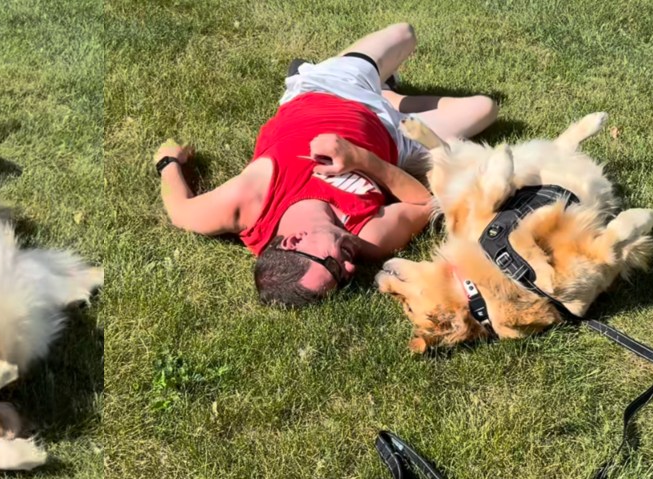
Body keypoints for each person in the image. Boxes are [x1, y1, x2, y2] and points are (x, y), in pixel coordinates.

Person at [153, 23, 498, 306]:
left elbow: (181, 211)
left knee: (405, 33)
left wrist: (168, 161)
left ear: (293, 241)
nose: (350, 266)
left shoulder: (248, 202)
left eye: (333, 264)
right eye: (343, 278)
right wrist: (363, 159)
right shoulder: (365, 239)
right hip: (395, 139)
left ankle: (325, 74)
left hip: (332, 91)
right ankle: (388, 95)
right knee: (485, 108)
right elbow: (425, 203)